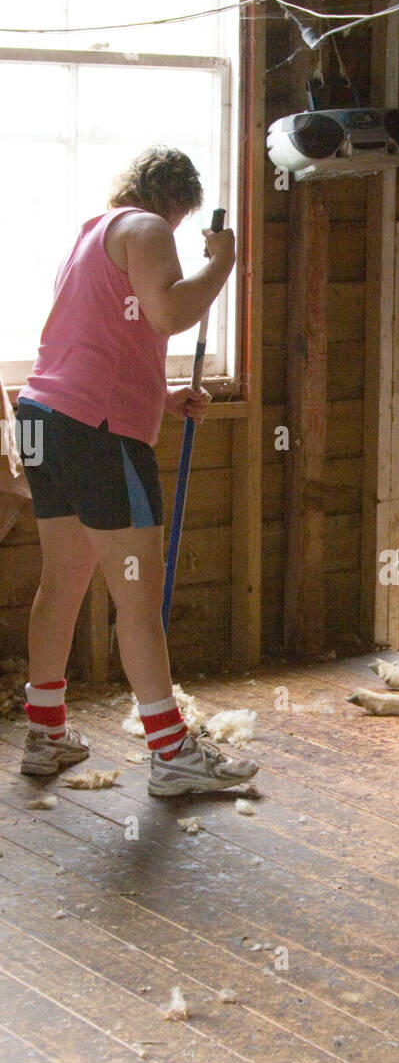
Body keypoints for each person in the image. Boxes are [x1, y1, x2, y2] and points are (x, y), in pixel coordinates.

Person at [15, 146, 258, 795]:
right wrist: (222, 264)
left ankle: (44, 733)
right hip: (98, 432)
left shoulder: (92, 234)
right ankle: (173, 755)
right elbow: (171, 313)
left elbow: (98, 339)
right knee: (138, 600)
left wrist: (164, 397)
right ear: (178, 204)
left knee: (61, 583)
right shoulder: (148, 230)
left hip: (43, 417)